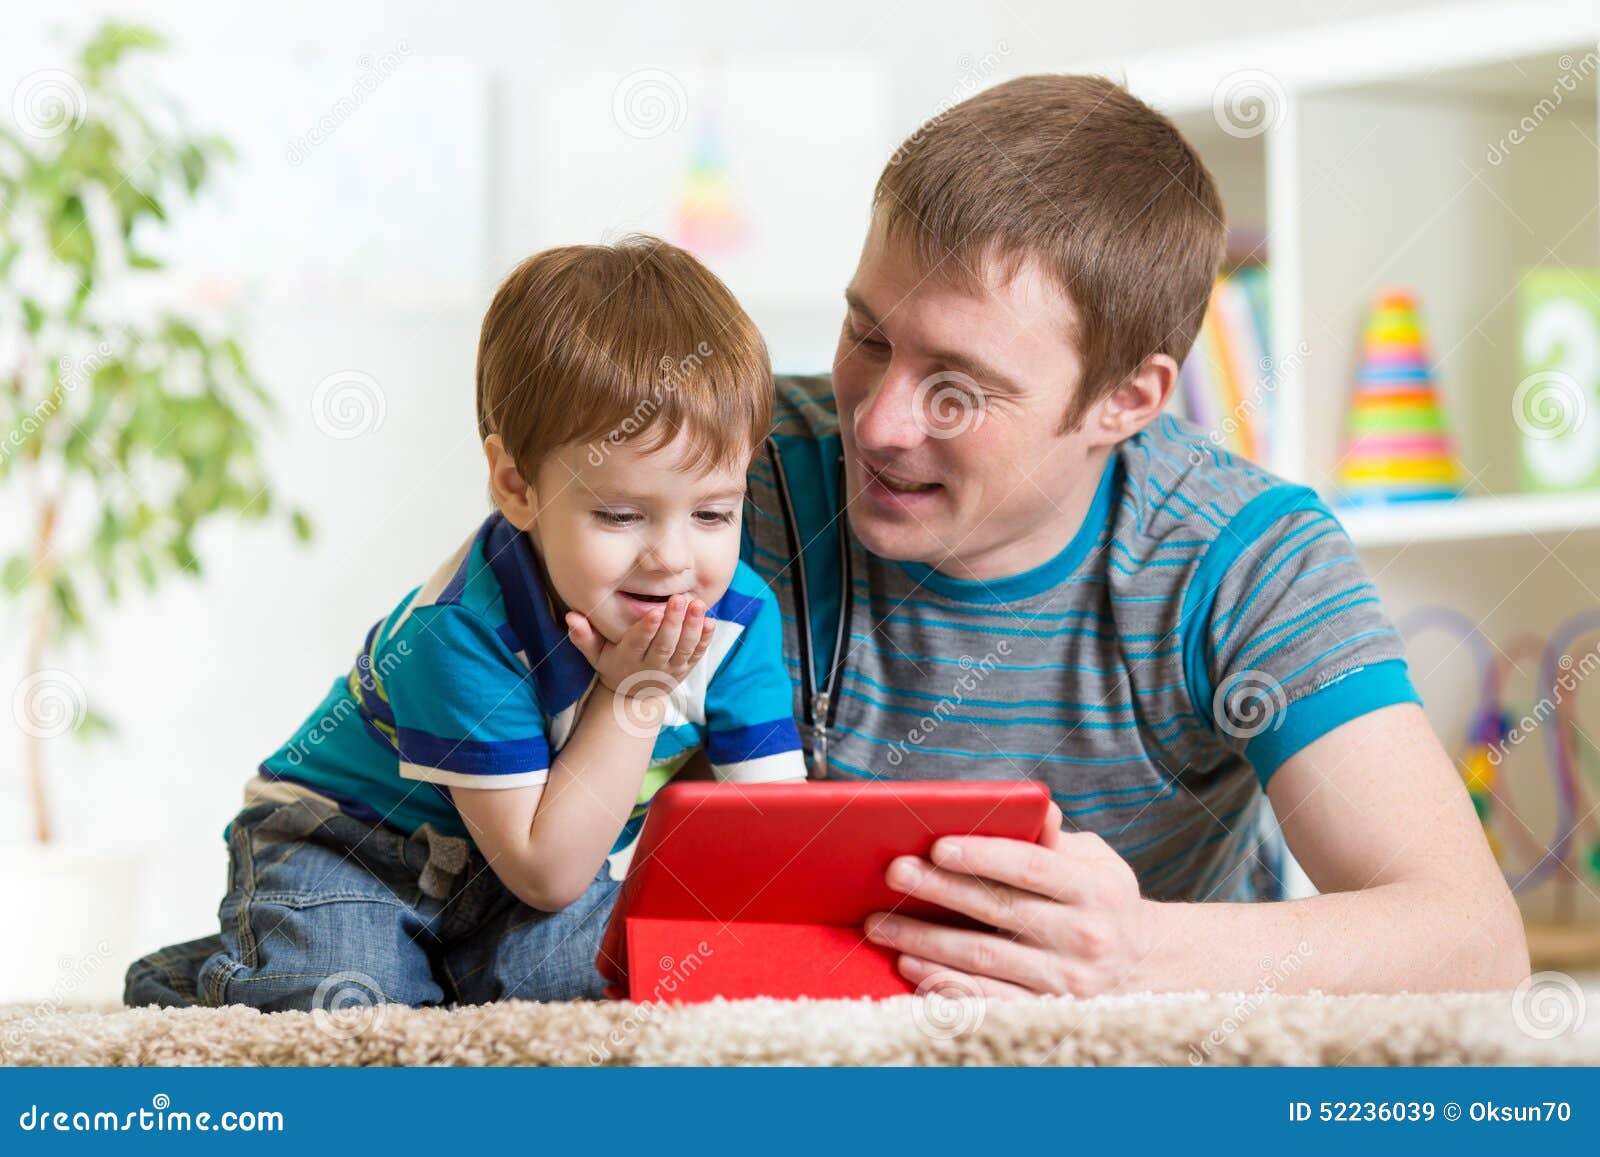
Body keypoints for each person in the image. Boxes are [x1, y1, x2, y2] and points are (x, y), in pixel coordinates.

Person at [737, 73, 1527, 997]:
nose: (878, 424)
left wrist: (1138, 952)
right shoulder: (720, 475)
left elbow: (1473, 941)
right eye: (868, 337)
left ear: (1126, 399)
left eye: (957, 385)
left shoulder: (1243, 559)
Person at [123, 238, 804, 1009]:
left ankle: (431, 969)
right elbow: (546, 870)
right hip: (355, 851)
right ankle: (216, 970)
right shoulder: (455, 633)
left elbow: (773, 832)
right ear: (517, 486)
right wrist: (631, 695)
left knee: (609, 975)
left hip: (512, 876)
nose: (674, 558)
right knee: (348, 1004)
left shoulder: (738, 614)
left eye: (715, 512)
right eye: (620, 514)